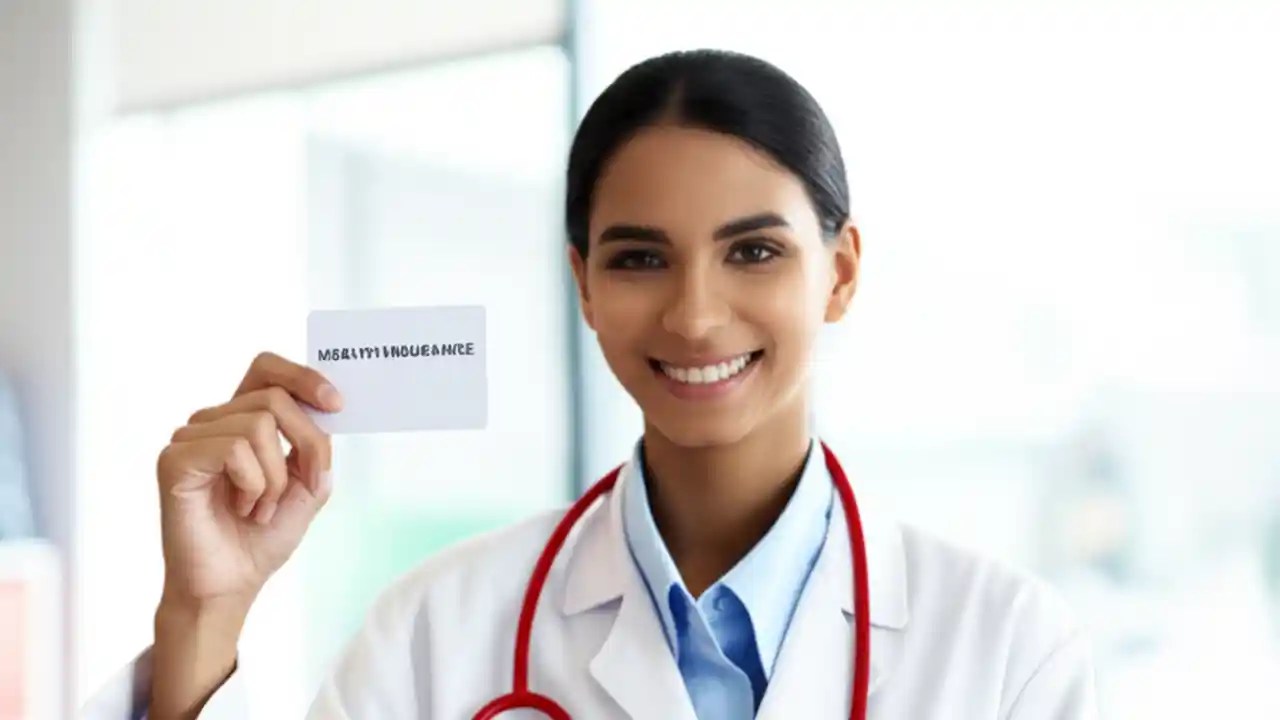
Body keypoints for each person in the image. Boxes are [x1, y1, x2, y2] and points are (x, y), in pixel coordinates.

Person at [83, 49, 1098, 719]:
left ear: (837, 272)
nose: (695, 316)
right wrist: (203, 614)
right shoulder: (439, 630)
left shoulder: (1003, 647)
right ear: (581, 284)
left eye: (751, 253)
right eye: (640, 259)